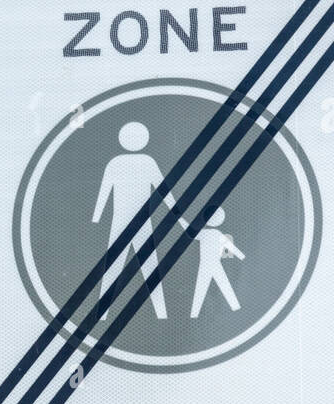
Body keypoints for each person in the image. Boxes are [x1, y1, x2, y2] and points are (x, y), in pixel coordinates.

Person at [92, 121, 185, 318]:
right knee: (146, 263)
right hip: (136, 221)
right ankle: (160, 313)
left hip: (129, 221)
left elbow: (161, 190)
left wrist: (97, 217)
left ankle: (103, 313)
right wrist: (176, 212)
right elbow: (163, 192)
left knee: (124, 264)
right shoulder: (144, 161)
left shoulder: (119, 162)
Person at [190, 207, 244, 318]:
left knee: (201, 288)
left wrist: (180, 220)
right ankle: (235, 307)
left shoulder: (205, 233)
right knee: (222, 286)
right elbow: (231, 248)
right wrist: (242, 257)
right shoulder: (217, 234)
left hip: (208, 264)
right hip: (213, 264)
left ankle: (194, 313)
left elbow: (190, 232)